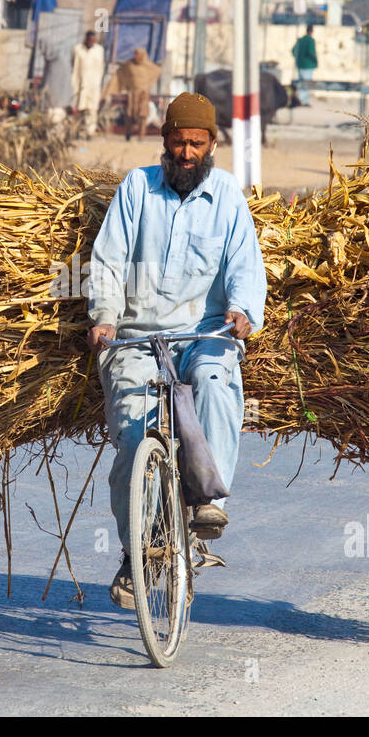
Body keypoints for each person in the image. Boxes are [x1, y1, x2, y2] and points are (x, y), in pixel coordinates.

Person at [86, 92, 267, 610]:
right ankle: (136, 551)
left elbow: (245, 268)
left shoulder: (229, 196)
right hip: (138, 337)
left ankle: (208, 498)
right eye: (178, 142)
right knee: (133, 434)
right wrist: (104, 318)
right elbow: (109, 261)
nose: (186, 153)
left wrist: (242, 312)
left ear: (212, 144)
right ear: (163, 141)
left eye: (197, 143)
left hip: (203, 335)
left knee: (214, 383)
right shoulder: (136, 189)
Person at [104, 48, 163, 141]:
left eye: (138, 54)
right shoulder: (129, 65)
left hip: (143, 95)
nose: (136, 56)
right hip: (132, 94)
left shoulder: (148, 66)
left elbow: (157, 70)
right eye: (135, 54)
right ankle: (128, 134)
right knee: (129, 115)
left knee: (143, 116)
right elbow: (120, 72)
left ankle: (141, 135)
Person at [71, 31, 106, 136]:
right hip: (80, 83)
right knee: (78, 109)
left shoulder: (99, 50)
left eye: (93, 41)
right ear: (86, 39)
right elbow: (73, 65)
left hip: (94, 85)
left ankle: (89, 132)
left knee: (92, 110)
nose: (91, 43)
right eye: (89, 40)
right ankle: (76, 131)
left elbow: (100, 68)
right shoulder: (78, 49)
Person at [291, 24, 319, 105]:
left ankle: (305, 100)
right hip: (308, 65)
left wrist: (298, 59)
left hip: (300, 65)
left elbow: (293, 51)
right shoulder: (311, 40)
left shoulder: (300, 40)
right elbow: (311, 52)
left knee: (301, 83)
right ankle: (302, 100)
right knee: (306, 84)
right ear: (312, 31)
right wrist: (315, 61)